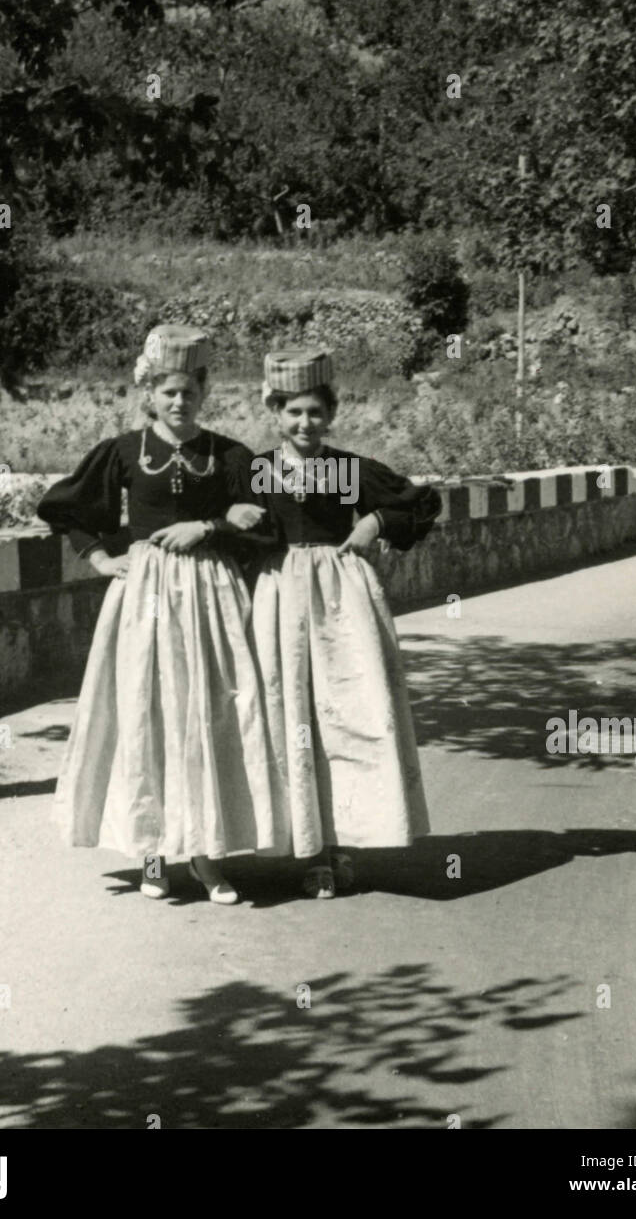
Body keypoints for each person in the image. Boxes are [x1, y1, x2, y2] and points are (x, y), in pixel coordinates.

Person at [36, 325, 286, 905]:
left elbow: (271, 522)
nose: (179, 402)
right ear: (149, 392)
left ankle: (207, 855)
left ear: (204, 392)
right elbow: (63, 506)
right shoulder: (124, 452)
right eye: (167, 392)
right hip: (145, 595)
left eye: (189, 392)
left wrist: (212, 526)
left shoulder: (229, 456)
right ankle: (152, 853)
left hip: (209, 595)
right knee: (146, 715)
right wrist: (100, 558)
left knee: (209, 712)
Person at [241, 348, 441, 899]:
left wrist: (374, 520)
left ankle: (334, 847)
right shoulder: (255, 469)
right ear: (275, 414)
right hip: (278, 598)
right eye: (292, 412)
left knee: (342, 716)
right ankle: (297, 840)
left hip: (337, 601)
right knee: (288, 713)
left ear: (331, 413)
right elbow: (226, 526)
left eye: (314, 412)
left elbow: (421, 502)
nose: (304, 423)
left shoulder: (346, 469)